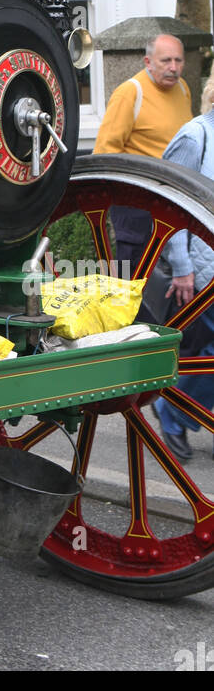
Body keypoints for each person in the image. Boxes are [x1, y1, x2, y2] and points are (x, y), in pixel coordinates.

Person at [151, 72, 214, 462]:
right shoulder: (195, 137)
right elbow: (167, 203)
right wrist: (181, 266)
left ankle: (183, 409)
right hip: (205, 269)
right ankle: (173, 410)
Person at [94, 34, 192, 274]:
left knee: (175, 279)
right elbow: (105, 153)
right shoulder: (129, 93)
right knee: (136, 280)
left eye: (179, 60)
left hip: (176, 200)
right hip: (136, 204)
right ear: (148, 62)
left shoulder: (183, 88)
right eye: (166, 60)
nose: (173, 67)